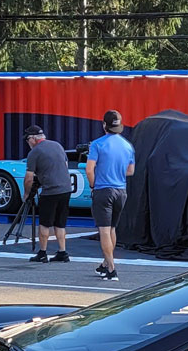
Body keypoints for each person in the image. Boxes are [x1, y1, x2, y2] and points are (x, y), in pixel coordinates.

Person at [82, 110, 135, 280]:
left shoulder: (97, 144)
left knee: (104, 230)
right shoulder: (128, 145)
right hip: (121, 191)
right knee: (112, 228)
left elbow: (89, 169)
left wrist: (93, 185)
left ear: (104, 124)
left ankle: (111, 269)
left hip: (103, 190)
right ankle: (106, 263)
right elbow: (130, 171)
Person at [22, 124, 73, 262]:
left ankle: (42, 252)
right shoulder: (57, 145)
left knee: (45, 223)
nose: (28, 144)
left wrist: (26, 194)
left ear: (32, 139)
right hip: (66, 189)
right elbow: (65, 165)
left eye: (27, 140)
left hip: (50, 190)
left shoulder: (34, 152)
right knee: (60, 223)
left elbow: (28, 178)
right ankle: (62, 252)